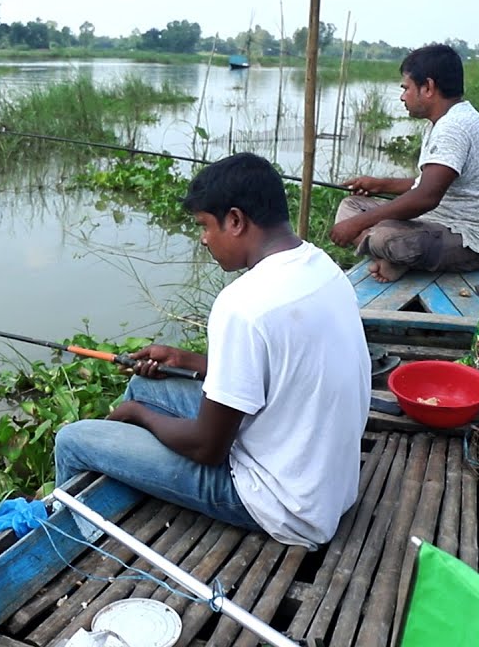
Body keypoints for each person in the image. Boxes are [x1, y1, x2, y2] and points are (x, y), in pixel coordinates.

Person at [54, 153, 371, 549]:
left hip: (281, 505)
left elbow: (208, 448)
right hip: (328, 489)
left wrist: (138, 416)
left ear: (236, 221)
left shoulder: (242, 303)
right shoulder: (320, 266)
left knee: (72, 439)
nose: (204, 239)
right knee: (145, 387)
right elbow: (284, 368)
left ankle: (60, 549)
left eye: (205, 226)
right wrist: (191, 363)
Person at [329, 43, 479, 283]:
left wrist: (358, 224)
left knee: (383, 237)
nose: (403, 96)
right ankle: (394, 261)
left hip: (468, 240)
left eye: (406, 88)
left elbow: (426, 197)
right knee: (350, 207)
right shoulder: (442, 121)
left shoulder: (453, 127)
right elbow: (429, 183)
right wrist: (380, 185)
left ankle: (393, 257)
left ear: (428, 87)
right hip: (436, 224)